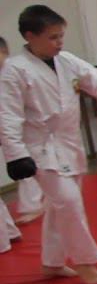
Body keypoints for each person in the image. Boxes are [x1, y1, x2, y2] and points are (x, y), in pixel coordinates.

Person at [0, 5, 97, 284]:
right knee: (68, 201)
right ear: (30, 36)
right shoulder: (14, 70)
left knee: (59, 206)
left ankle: (52, 262)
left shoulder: (66, 60)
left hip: (67, 143)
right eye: (52, 37)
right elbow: (8, 115)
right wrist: (15, 155)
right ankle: (84, 262)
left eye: (61, 36)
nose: (59, 42)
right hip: (38, 148)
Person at [0, 37, 44, 224]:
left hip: (30, 126)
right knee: (23, 165)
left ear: (4, 52)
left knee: (29, 165)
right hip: (11, 127)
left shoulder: (17, 70)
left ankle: (34, 206)